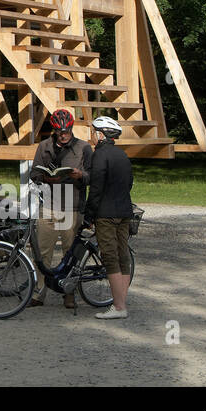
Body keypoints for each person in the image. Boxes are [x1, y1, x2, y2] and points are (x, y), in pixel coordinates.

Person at [28, 108, 93, 309]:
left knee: (69, 252)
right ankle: (39, 293)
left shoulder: (83, 148)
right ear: (54, 130)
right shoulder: (44, 146)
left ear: (72, 128)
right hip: (49, 205)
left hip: (72, 206)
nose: (64, 135)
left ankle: (69, 293)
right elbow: (33, 174)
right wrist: (46, 178)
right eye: (60, 131)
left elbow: (93, 177)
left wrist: (80, 175)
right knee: (42, 251)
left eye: (67, 131)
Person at [83, 115, 133, 320]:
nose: (91, 136)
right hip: (124, 212)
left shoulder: (99, 155)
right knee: (123, 257)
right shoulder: (122, 155)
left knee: (110, 258)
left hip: (106, 214)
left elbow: (96, 188)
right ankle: (121, 302)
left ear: (101, 135)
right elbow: (129, 183)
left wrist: (89, 215)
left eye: (93, 132)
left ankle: (119, 307)